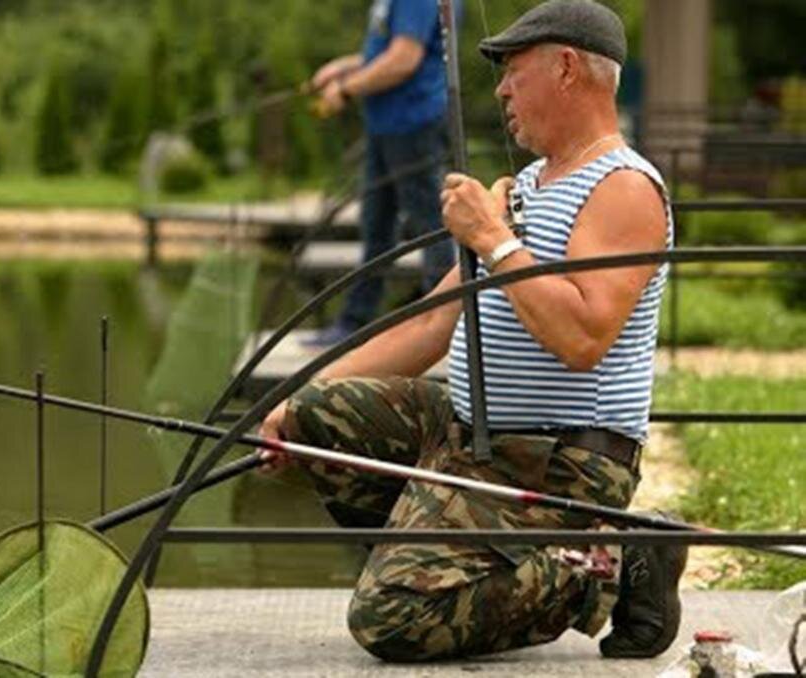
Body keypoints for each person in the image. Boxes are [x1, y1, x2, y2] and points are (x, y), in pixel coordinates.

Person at [261, 0, 687, 663]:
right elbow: (432, 322)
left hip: (559, 465)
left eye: (513, 70)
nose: (501, 89)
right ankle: (442, 559)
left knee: (390, 622)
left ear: (566, 68)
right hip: (466, 435)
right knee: (321, 415)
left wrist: (492, 239)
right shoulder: (525, 187)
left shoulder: (624, 187)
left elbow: (582, 340)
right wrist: (288, 402)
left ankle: (610, 560)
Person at [305, 0, 457, 347]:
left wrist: (345, 89)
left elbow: (404, 59)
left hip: (411, 121)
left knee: (430, 224)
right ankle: (354, 323)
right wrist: (343, 68)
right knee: (376, 226)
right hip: (385, 124)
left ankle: (446, 324)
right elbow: (386, 51)